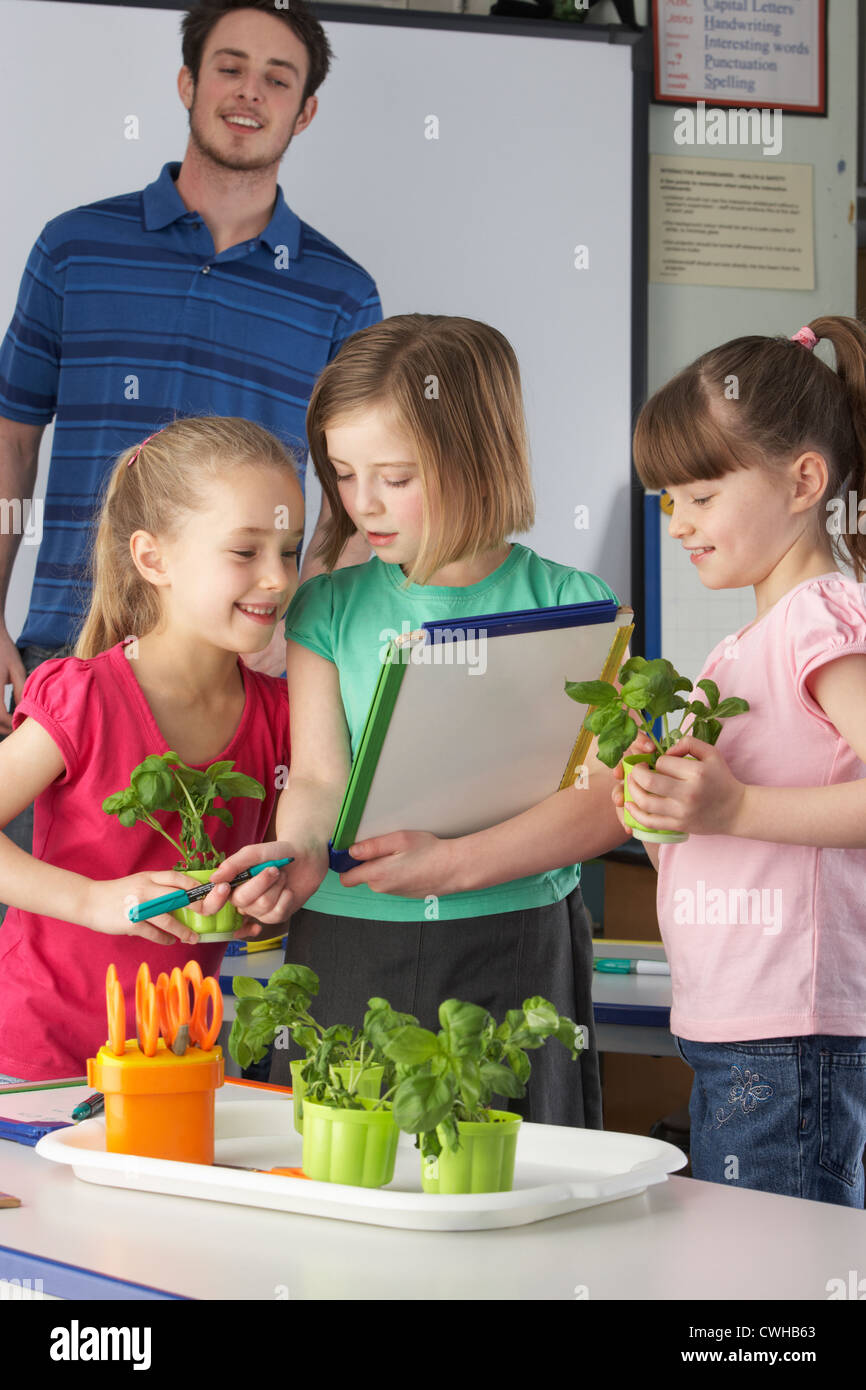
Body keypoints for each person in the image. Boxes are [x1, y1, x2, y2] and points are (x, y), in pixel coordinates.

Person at [213, 314, 629, 1127]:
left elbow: (607, 800)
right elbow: (322, 774)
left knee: (512, 1187)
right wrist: (297, 853)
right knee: (347, 1183)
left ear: (477, 456)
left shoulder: (574, 605)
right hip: (346, 936)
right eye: (341, 473)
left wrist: (455, 866)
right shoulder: (327, 609)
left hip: (515, 937)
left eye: (394, 477)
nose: (361, 503)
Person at [0, 0, 377, 878]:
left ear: (305, 109)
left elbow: (355, 502)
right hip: (63, 653)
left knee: (188, 960)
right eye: (230, 68)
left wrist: (298, 635)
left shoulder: (341, 294)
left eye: (278, 79)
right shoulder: (73, 248)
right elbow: (12, 445)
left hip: (235, 689)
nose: (251, 93)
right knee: (39, 949)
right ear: (189, 83)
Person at [610, 316, 866, 1208]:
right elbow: (712, 842)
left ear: (804, 481)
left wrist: (734, 810)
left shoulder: (821, 620)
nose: (678, 522)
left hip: (796, 1035)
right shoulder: (743, 647)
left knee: (769, 1290)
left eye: (703, 495)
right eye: (668, 499)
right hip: (745, 1028)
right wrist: (660, 810)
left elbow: (749, 817)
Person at [0, 417, 301, 1083]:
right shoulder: (84, 698)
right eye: (246, 552)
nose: (278, 579)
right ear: (152, 558)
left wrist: (264, 895)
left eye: (290, 550)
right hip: (37, 1060)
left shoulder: (280, 715)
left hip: (176, 1064)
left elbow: (271, 867)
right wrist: (94, 901)